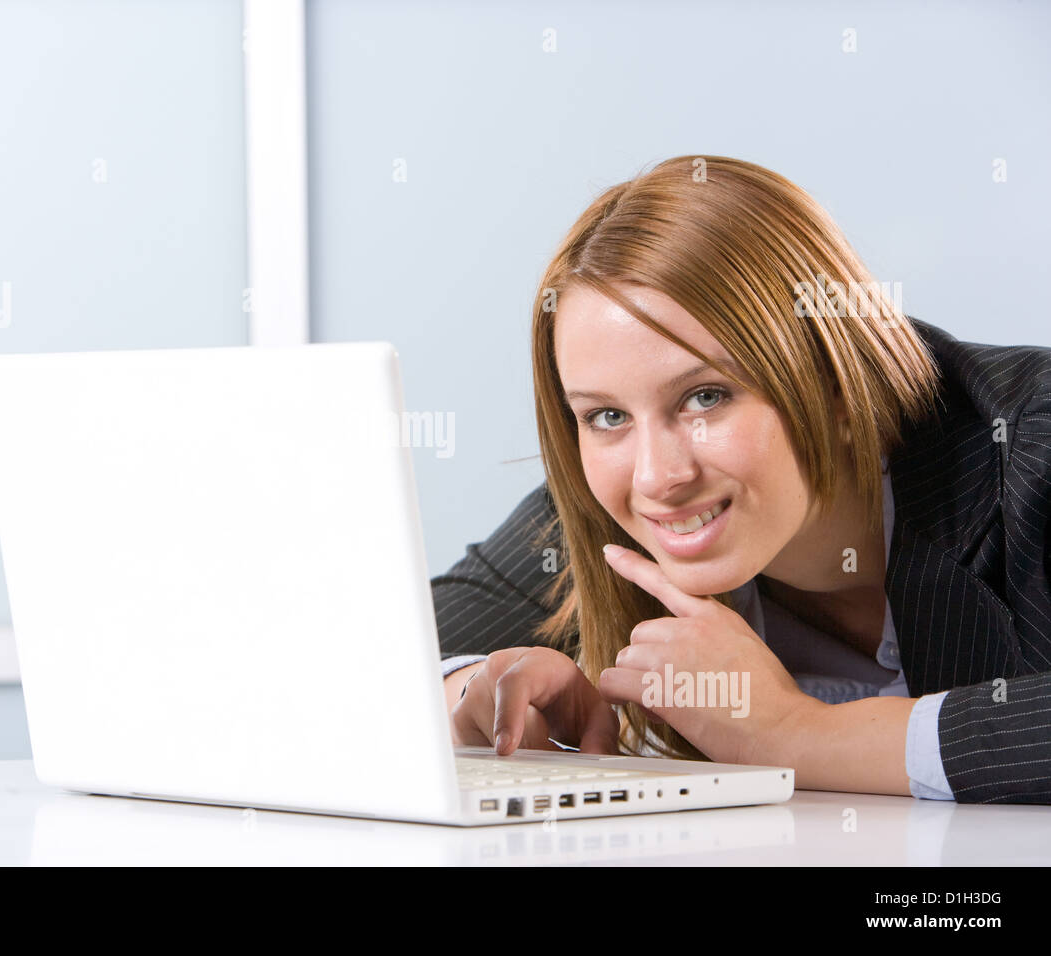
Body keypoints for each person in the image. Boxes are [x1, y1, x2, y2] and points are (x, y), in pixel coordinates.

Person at [433, 155, 1051, 805]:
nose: (657, 476)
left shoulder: (1030, 442)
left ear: (840, 384)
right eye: (607, 414)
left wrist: (798, 733)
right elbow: (372, 649)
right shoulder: (620, 493)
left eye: (705, 397)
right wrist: (481, 694)